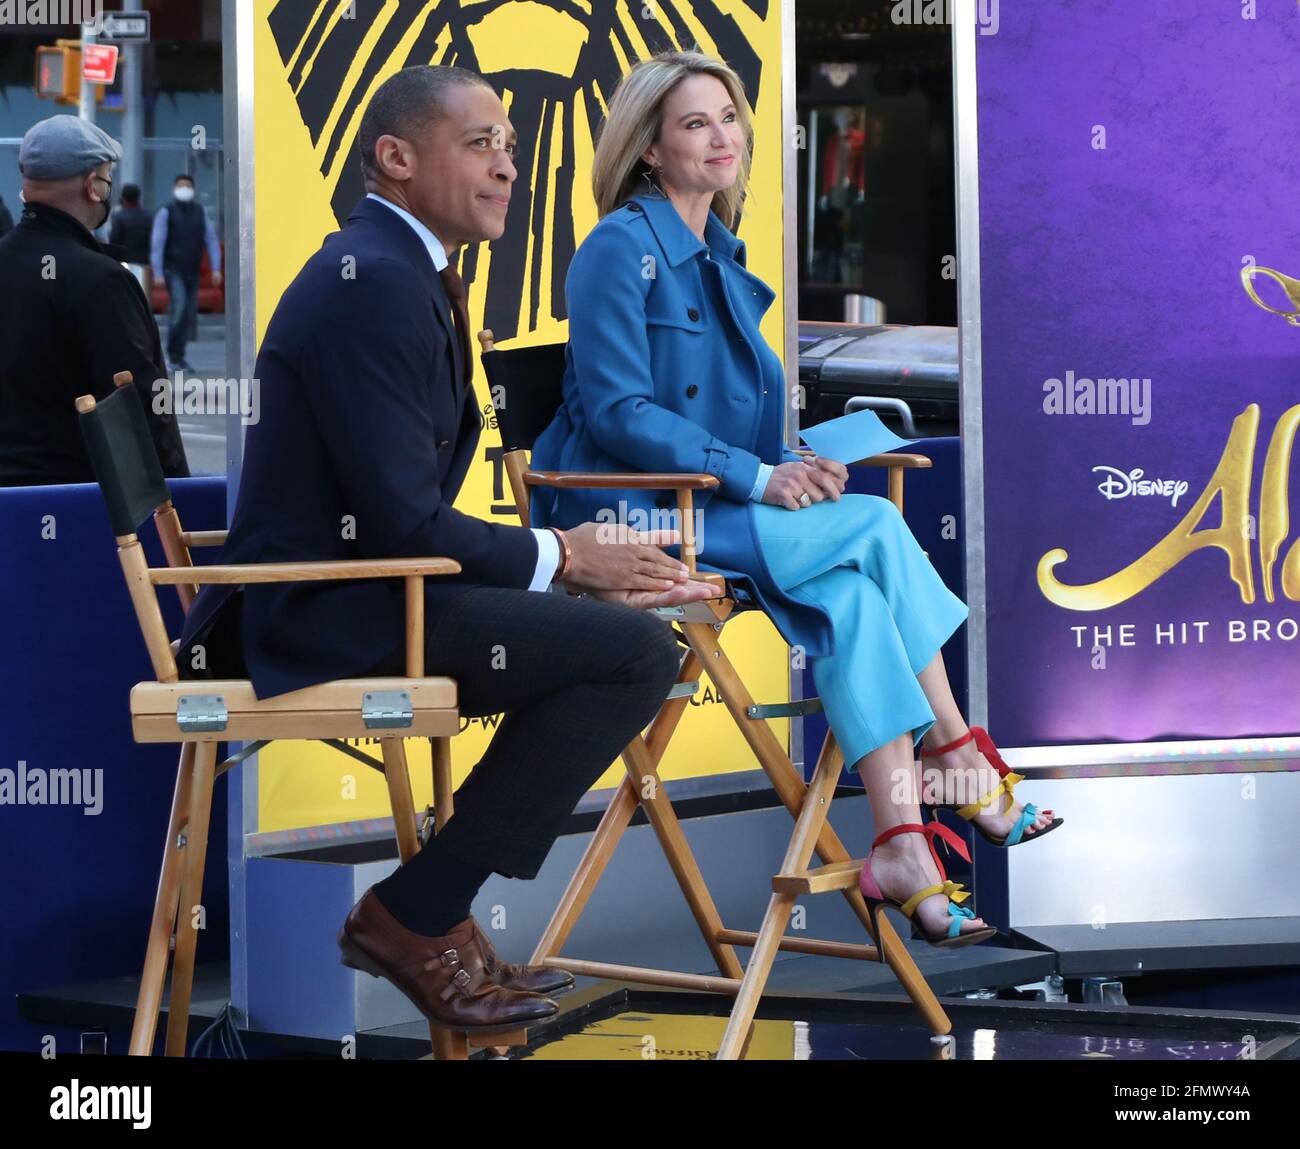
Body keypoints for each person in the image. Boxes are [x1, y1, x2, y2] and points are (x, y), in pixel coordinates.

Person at [175, 64, 721, 1035]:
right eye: (479, 144)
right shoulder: (374, 283)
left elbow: (403, 519)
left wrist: (563, 569)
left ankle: (433, 902)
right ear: (394, 157)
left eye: (509, 147)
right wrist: (566, 556)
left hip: (361, 590)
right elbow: (402, 524)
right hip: (323, 614)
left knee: (608, 636)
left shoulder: (393, 268)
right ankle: (415, 913)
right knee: (632, 654)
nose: (507, 166)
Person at [530, 51, 1064, 949]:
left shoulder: (720, 256)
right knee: (879, 525)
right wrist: (759, 477)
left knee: (855, 597)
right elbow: (621, 415)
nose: (723, 136)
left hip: (717, 510)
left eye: (729, 118)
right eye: (696, 123)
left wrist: (796, 463)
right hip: (632, 520)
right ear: (650, 150)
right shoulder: (617, 249)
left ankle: (901, 842)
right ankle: (958, 755)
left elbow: (739, 425)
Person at [0, 115, 188, 487]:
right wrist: (180, 501)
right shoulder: (102, 280)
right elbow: (143, 415)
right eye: (106, 176)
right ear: (93, 187)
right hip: (76, 506)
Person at [150, 174, 221, 372]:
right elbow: (158, 243)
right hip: (174, 270)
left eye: (188, 186)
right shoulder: (166, 212)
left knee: (188, 314)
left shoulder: (200, 212)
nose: (185, 189)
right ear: (174, 189)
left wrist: (216, 268)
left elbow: (211, 240)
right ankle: (173, 357)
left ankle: (179, 357)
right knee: (179, 310)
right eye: (181, 186)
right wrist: (157, 272)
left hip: (192, 270)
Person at [109, 182, 154, 296]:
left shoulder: (119, 216)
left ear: (123, 197)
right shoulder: (148, 216)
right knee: (144, 295)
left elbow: (114, 239)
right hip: (145, 262)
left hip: (125, 261)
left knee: (126, 294)